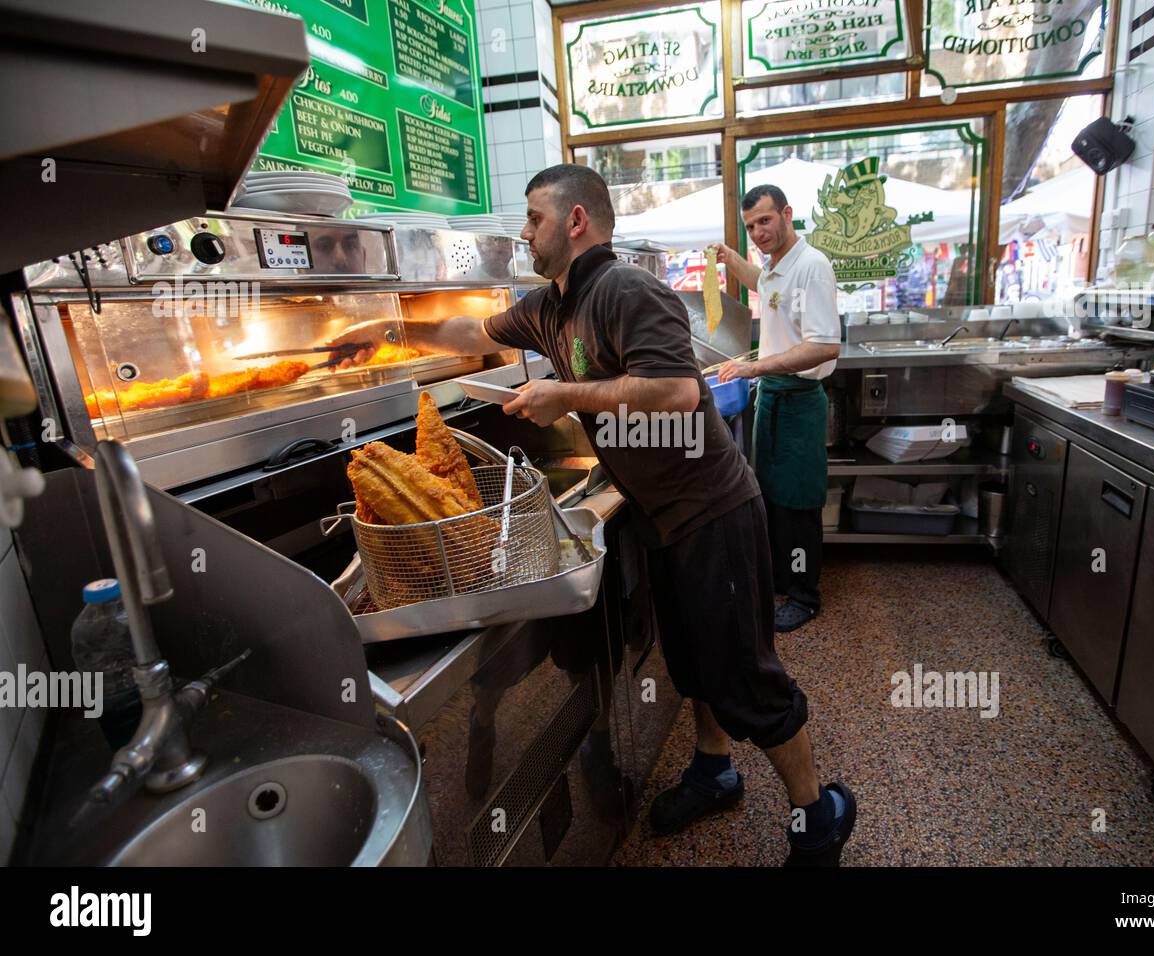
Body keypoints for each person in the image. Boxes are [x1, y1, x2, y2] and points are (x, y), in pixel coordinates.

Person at [328, 164, 856, 865]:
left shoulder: (627, 290)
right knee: (690, 662)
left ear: (575, 221)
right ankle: (713, 767)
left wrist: (564, 397)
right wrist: (386, 327)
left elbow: (675, 393)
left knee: (745, 678)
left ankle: (817, 813)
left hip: (712, 512)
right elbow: (467, 328)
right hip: (660, 513)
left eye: (534, 218)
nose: (524, 231)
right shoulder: (550, 307)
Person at [710, 185, 840, 633]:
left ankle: (805, 595)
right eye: (750, 227)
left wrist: (756, 367)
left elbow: (824, 346)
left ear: (787, 213)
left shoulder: (812, 266)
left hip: (799, 402)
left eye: (765, 221)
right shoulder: (775, 267)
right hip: (773, 397)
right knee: (772, 498)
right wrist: (730, 257)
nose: (759, 232)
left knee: (798, 502)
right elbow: (761, 286)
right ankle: (784, 578)